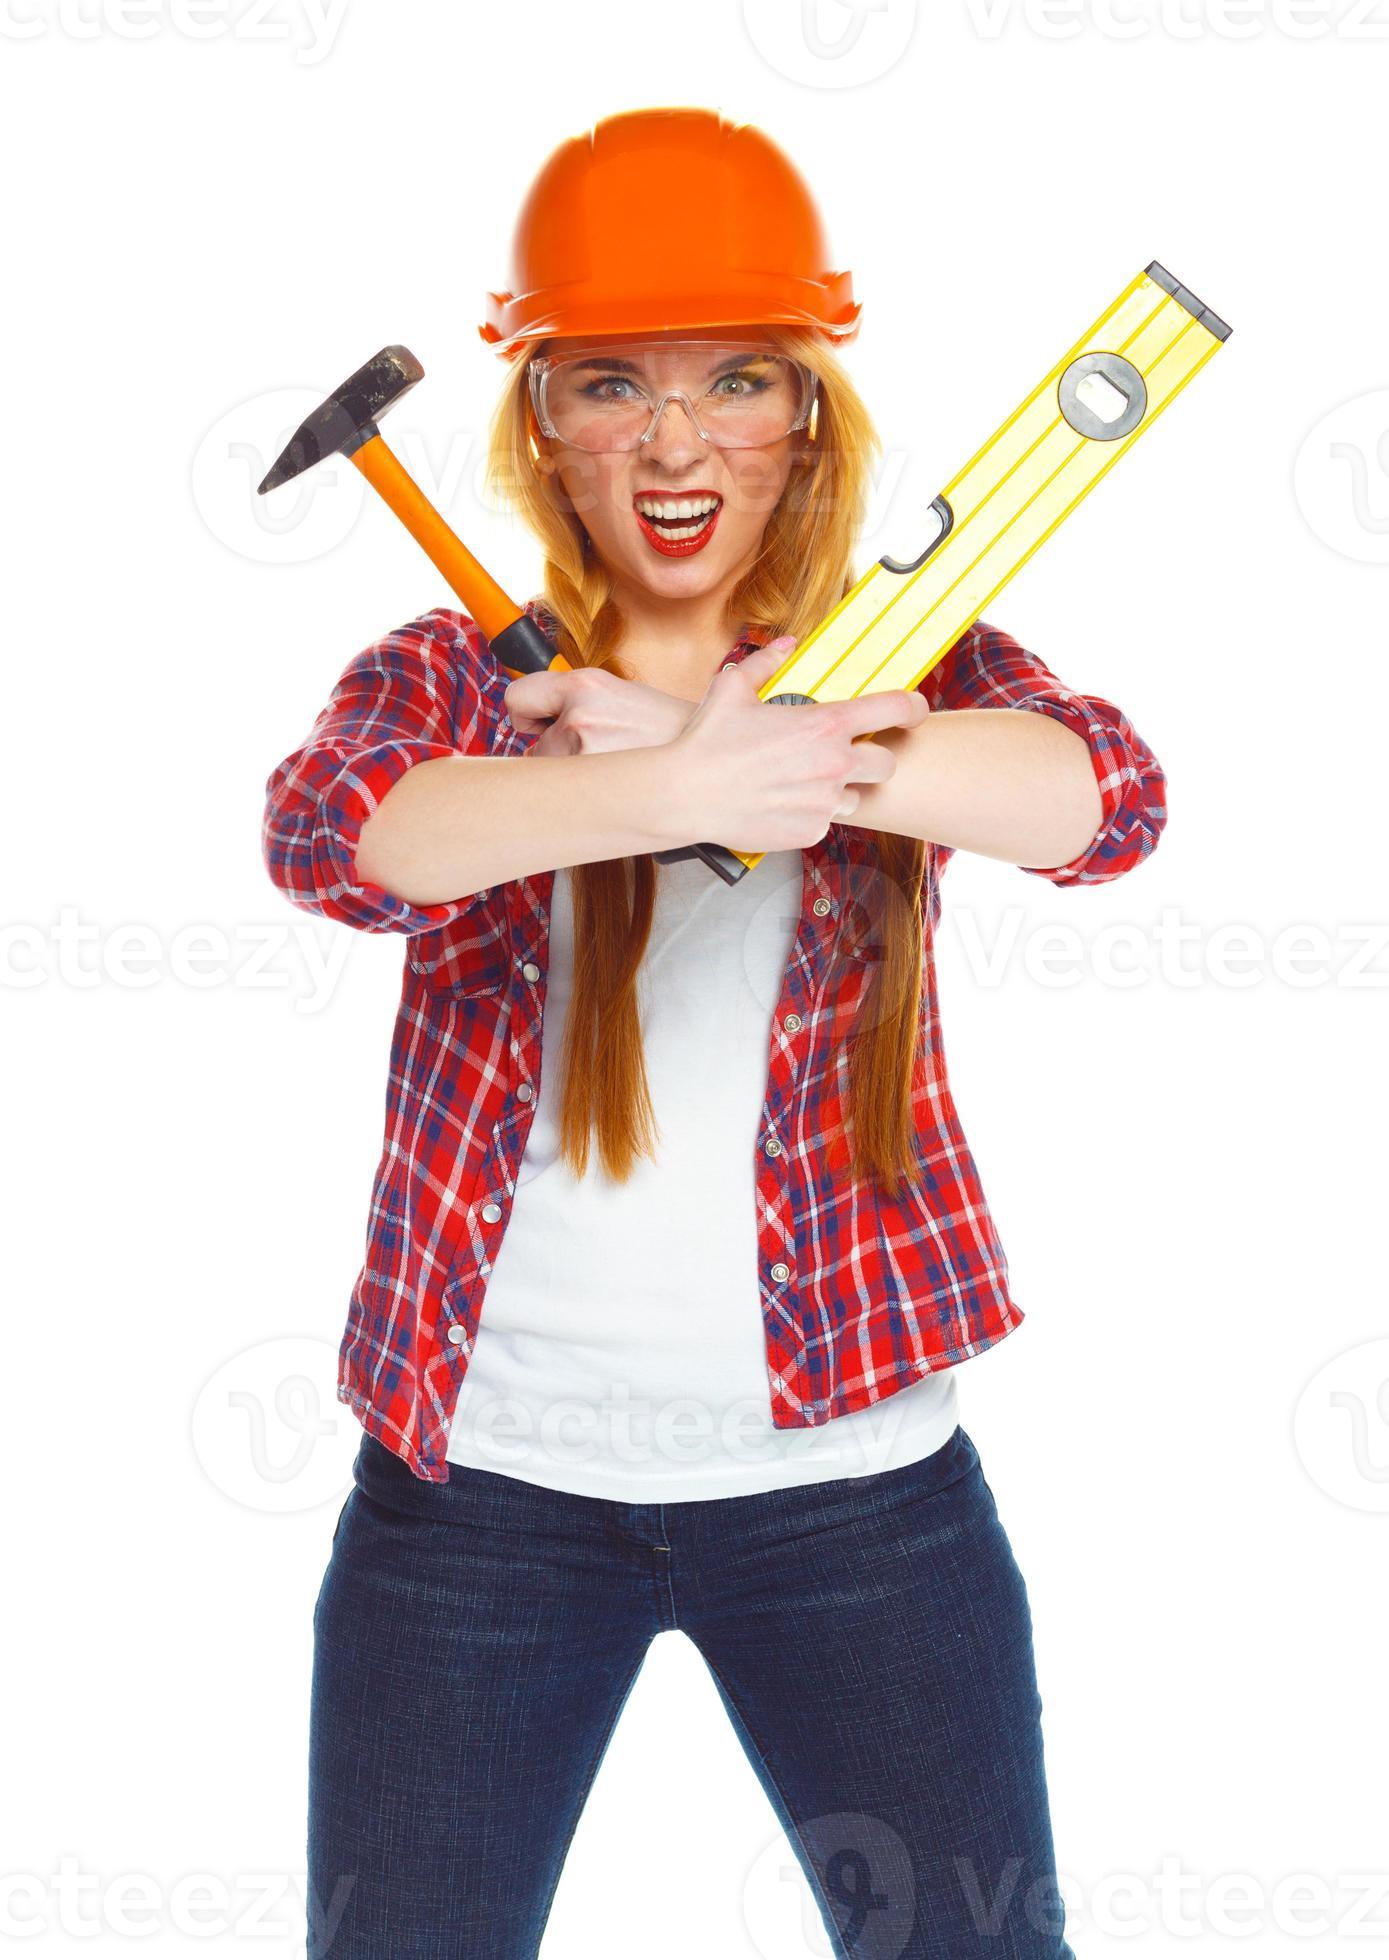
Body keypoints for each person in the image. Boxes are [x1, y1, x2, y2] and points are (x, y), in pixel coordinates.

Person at [264, 104, 1166, 1960]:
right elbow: (342, 839)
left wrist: (829, 752)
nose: (674, 443)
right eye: (611, 384)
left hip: (856, 1500)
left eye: (735, 379)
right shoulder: (457, 675)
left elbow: (1107, 800)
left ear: (805, 414)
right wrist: (650, 782)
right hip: (476, 1505)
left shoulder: (907, 640)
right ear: (542, 426)